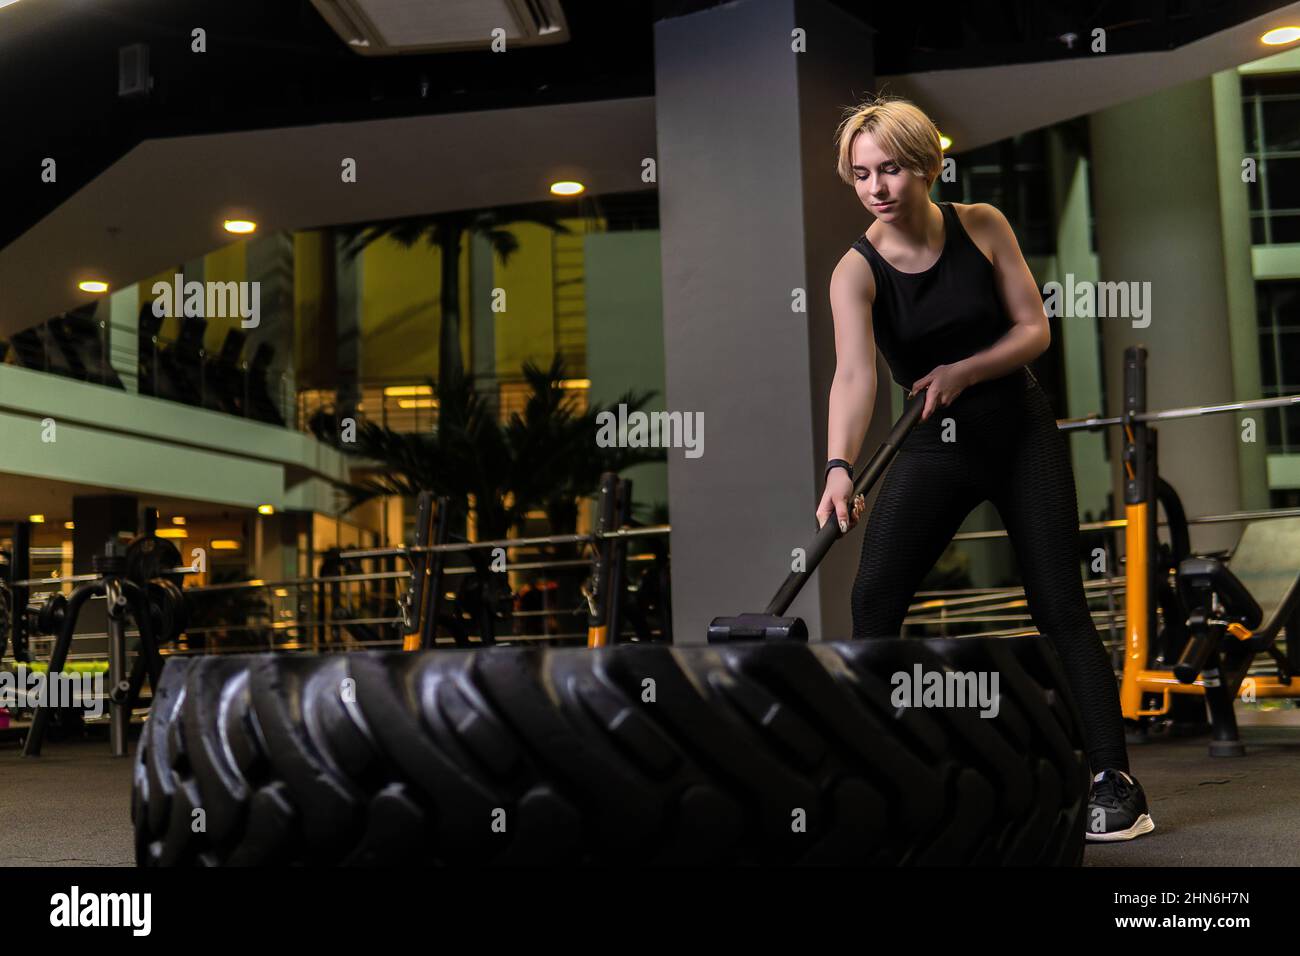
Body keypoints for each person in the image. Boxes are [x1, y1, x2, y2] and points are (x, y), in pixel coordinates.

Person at [817, 95, 1153, 842]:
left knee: (1058, 604)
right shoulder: (855, 271)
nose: (876, 187)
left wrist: (964, 371)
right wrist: (840, 466)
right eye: (861, 174)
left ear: (927, 165)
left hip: (1019, 433)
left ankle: (1114, 780)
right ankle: (883, 774)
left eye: (890, 169)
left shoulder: (982, 224)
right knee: (873, 597)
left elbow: (1034, 330)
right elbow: (854, 377)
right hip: (936, 447)